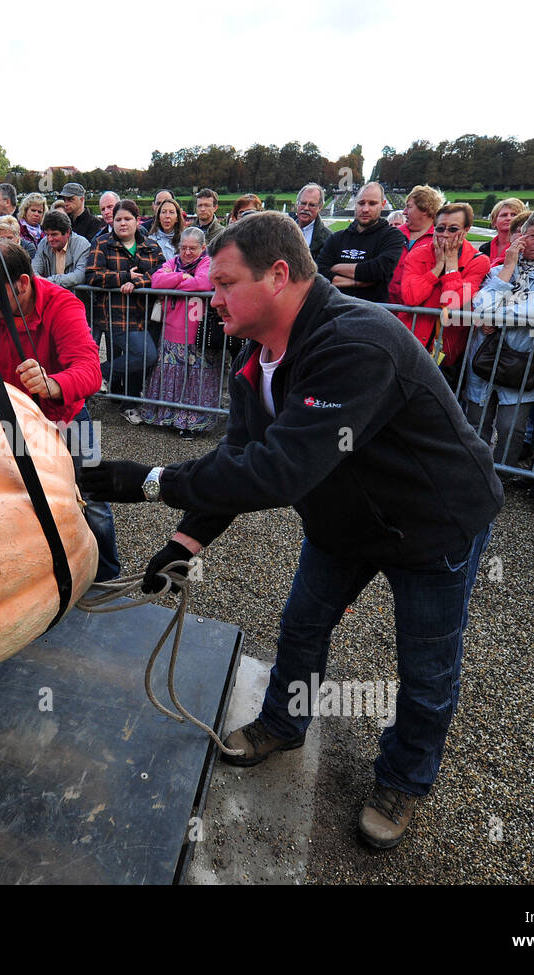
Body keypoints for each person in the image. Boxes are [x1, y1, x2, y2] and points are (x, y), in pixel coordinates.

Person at [80, 212, 502, 850]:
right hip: (342, 521)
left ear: (279, 275)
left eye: (223, 282)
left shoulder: (357, 342)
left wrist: (149, 480)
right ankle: (283, 722)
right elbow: (243, 456)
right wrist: (186, 543)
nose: (209, 295)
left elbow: (277, 472)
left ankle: (405, 778)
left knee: (426, 663)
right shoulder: (262, 357)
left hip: (432, 525)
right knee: (302, 624)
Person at [0, 239, 120, 581]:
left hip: (68, 418)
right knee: (21, 499)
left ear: (23, 283)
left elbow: (90, 369)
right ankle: (44, 577)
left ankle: (107, 579)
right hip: (11, 423)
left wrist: (53, 384)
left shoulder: (63, 304)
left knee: (95, 502)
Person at [462, 207, 534, 468]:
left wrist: (494, 316)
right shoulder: (500, 269)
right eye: (532, 235)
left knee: (510, 426)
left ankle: (501, 474)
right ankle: (473, 470)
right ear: (520, 237)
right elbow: (479, 306)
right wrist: (510, 266)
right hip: (486, 353)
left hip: (527, 357)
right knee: (477, 418)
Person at [85, 198, 164, 422]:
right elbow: (92, 276)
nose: (122, 223)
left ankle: (128, 403)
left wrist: (137, 283)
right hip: (116, 316)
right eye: (118, 219)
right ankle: (97, 374)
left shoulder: (151, 245)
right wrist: (124, 277)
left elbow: (162, 274)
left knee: (140, 359)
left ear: (137, 221)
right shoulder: (102, 243)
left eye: (128, 219)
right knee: (146, 355)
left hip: (147, 316)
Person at [395, 202, 490, 383]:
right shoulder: (417, 254)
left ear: (467, 229)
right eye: (440, 228)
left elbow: (452, 304)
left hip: (446, 353)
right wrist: (437, 268)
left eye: (453, 229)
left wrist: (452, 265)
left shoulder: (479, 261)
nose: (445, 234)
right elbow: (411, 297)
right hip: (409, 345)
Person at [140, 226, 216, 437]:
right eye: (184, 248)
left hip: (197, 333)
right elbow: (156, 281)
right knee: (171, 374)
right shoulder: (173, 262)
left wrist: (175, 279)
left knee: (194, 378)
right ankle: (168, 417)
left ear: (203, 247)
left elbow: (204, 283)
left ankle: (191, 423)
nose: (187, 252)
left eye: (193, 248)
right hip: (172, 330)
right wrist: (183, 278)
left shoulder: (207, 263)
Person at [316, 182, 405, 303]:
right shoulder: (336, 238)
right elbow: (320, 272)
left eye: (372, 203)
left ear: (383, 204)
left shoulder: (393, 236)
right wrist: (356, 282)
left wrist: (336, 267)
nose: (365, 209)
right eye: (361, 203)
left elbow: (378, 271)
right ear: (355, 204)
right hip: (336, 313)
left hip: (373, 314)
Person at [387, 184, 443, 306]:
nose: (404, 212)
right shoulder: (393, 234)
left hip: (418, 310)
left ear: (425, 209)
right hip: (387, 305)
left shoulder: (440, 239)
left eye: (409, 207)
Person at [32, 210, 92, 289]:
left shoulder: (82, 245)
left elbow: (79, 275)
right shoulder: (43, 243)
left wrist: (48, 282)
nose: (49, 239)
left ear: (67, 232)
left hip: (76, 298)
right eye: (47, 234)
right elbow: (33, 270)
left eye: (54, 234)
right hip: (52, 297)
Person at [477, 197, 525, 265]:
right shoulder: (484, 249)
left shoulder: (524, 248)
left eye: (514, 215)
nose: (509, 218)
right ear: (494, 222)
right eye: (504, 215)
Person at [292, 183, 330, 261]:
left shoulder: (328, 238)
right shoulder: (281, 230)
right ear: (297, 204)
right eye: (303, 203)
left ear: (320, 207)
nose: (306, 208)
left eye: (312, 205)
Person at [146, 197, 185, 262]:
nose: (167, 216)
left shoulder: (185, 240)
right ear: (158, 217)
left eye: (171, 212)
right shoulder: (151, 240)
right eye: (163, 212)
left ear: (177, 218)